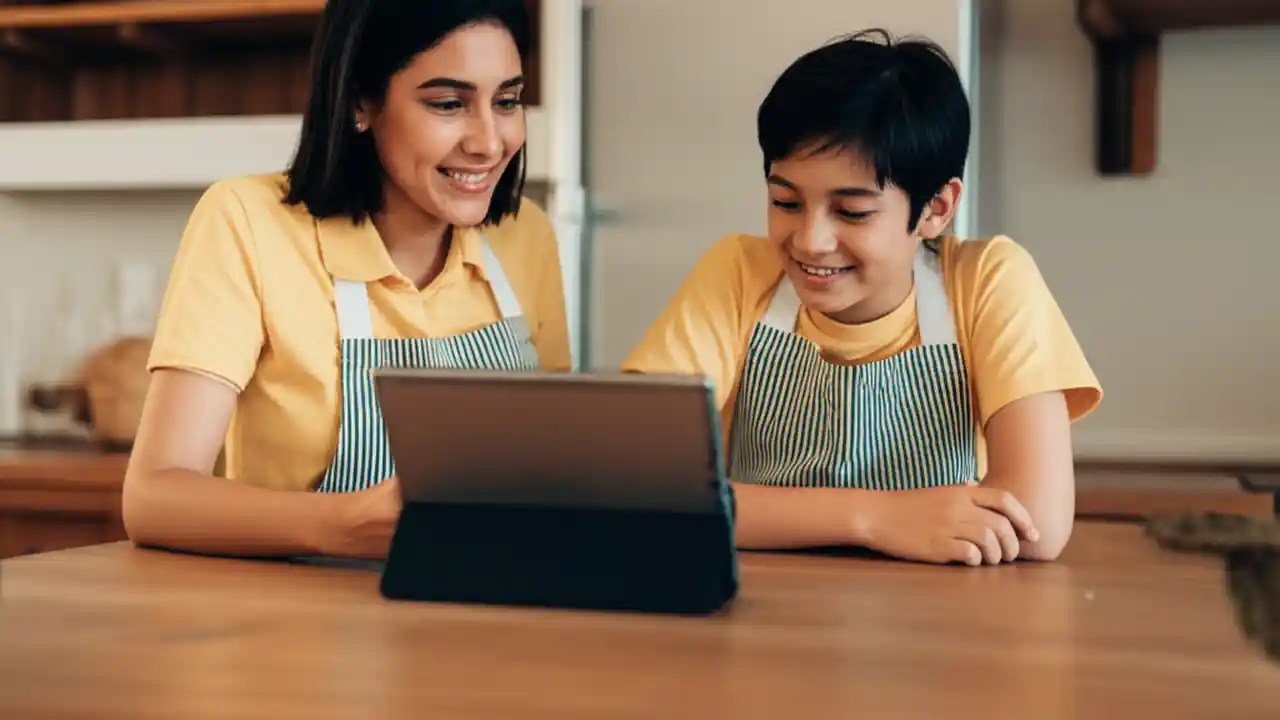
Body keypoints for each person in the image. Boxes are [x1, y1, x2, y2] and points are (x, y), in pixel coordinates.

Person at [623, 30, 1102, 565]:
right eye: (786, 201)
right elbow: (642, 488)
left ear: (937, 208)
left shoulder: (988, 280)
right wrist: (877, 519)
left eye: (851, 212)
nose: (810, 240)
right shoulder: (737, 273)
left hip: (946, 616)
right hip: (765, 607)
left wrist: (753, 512)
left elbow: (1034, 522)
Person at [123, 0, 569, 560]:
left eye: (507, 101)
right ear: (361, 101)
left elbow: (554, 469)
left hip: (491, 616)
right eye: (450, 103)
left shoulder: (526, 237)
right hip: (296, 630)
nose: (488, 141)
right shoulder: (248, 221)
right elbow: (154, 496)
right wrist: (345, 524)